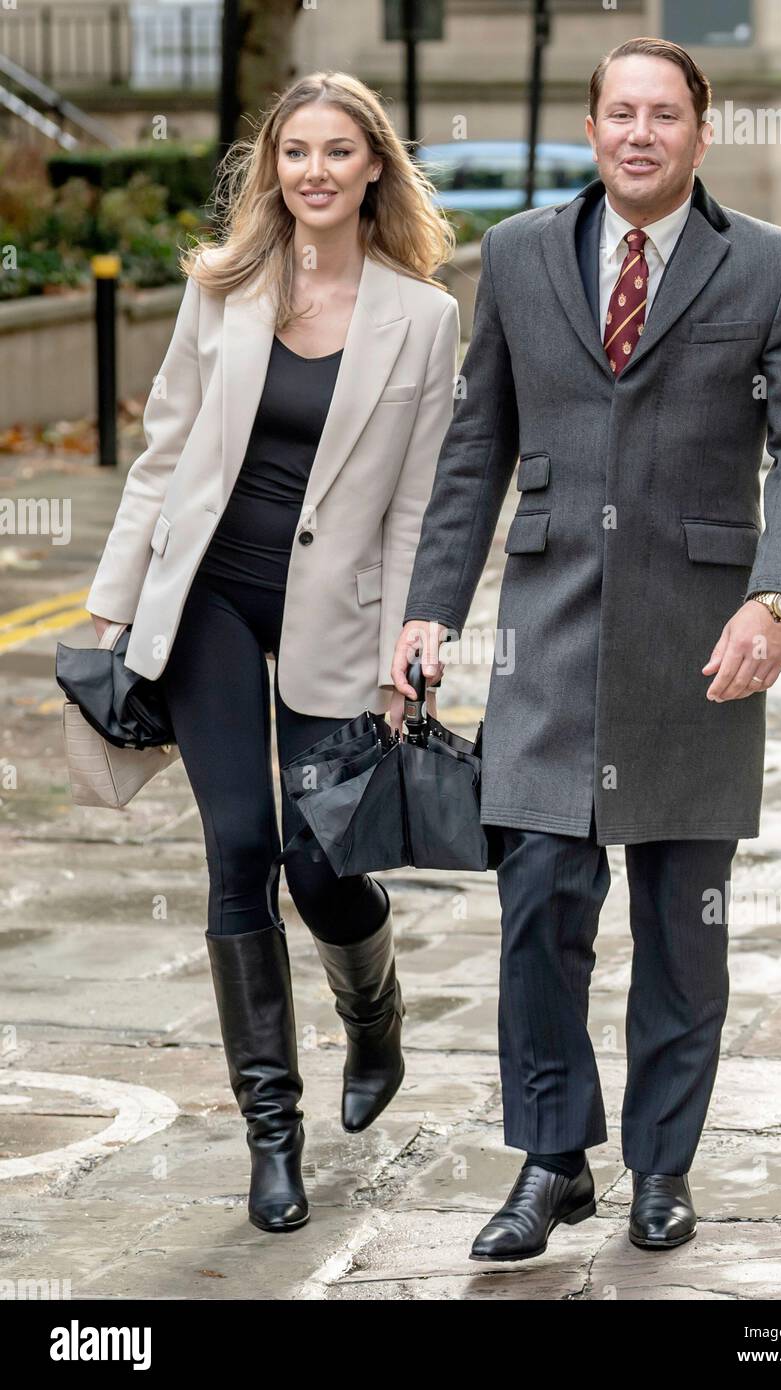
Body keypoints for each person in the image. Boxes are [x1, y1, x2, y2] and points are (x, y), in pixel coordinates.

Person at [392, 37, 781, 1261]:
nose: (639, 134)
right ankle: (552, 1158)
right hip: (545, 636)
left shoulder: (777, 268)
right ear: (592, 130)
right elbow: (474, 441)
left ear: (703, 129)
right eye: (619, 115)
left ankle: (661, 1164)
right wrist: (431, 603)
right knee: (538, 902)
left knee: (681, 917)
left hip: (701, 641)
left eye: (664, 115)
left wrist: (778, 599)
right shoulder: (523, 256)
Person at [85, 71, 460, 1233]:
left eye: (336, 152)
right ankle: (272, 1133)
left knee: (320, 862)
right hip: (205, 598)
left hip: (337, 617)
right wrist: (112, 607)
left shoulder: (425, 318)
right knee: (239, 848)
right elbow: (161, 456)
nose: (312, 171)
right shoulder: (223, 286)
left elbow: (420, 503)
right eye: (293, 152)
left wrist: (412, 637)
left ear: (372, 169)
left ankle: (374, 1010)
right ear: (271, 169)